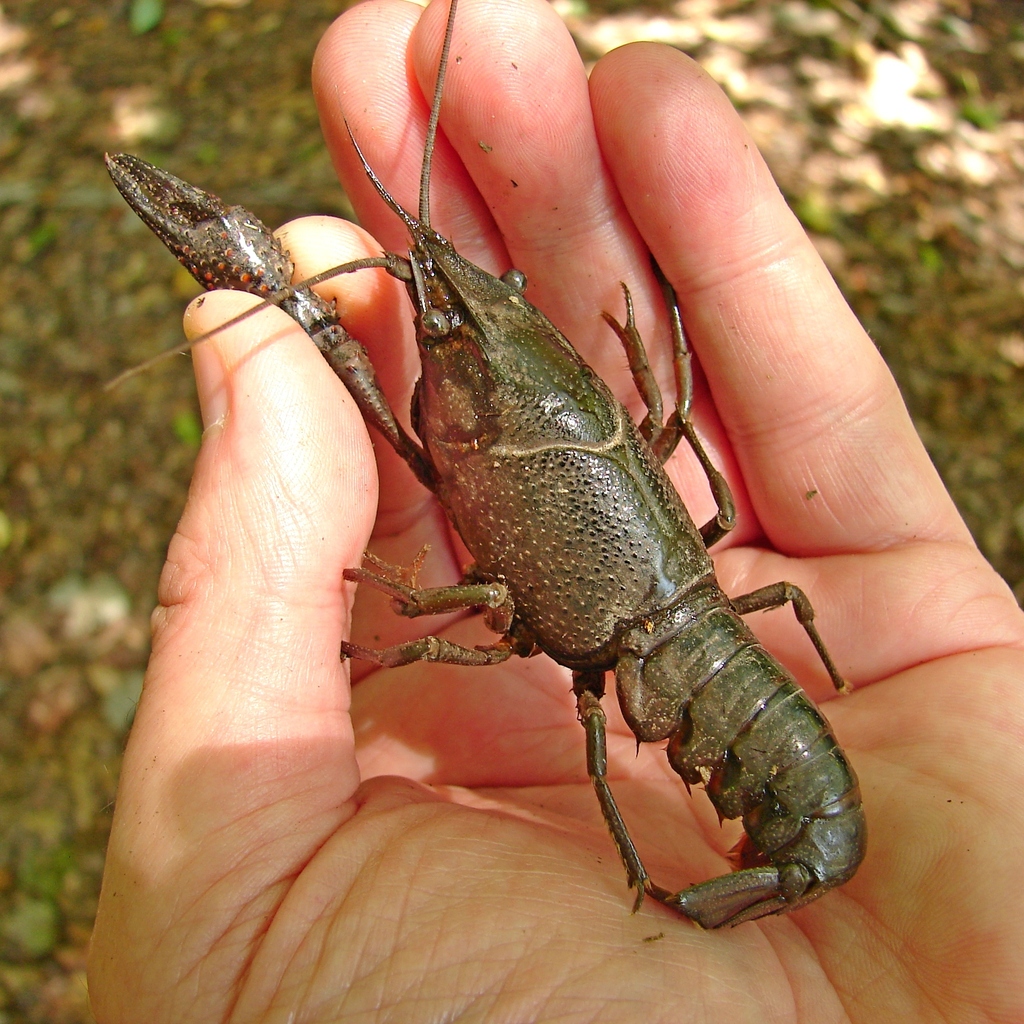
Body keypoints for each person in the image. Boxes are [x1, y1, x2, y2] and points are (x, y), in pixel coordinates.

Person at [87, 0, 1024, 1019]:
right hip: (700, 635)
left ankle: (676, 866)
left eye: (477, 304)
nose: (446, 308)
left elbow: (495, 609)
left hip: (732, 704)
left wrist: (418, 617)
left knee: (343, 367)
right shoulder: (590, 402)